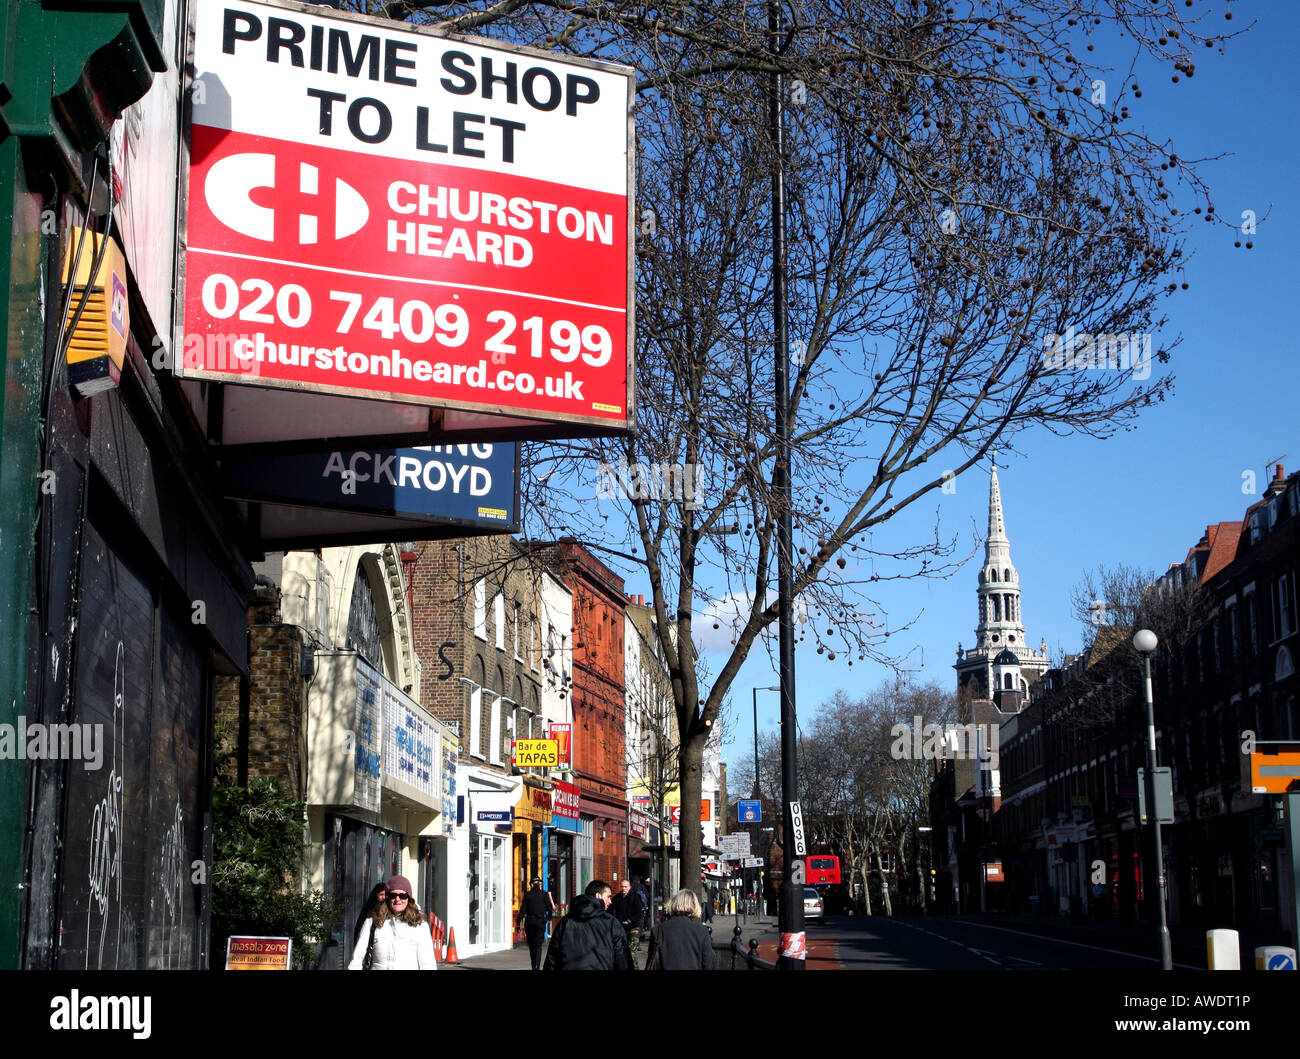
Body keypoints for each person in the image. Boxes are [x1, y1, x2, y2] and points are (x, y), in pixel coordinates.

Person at [348, 875, 437, 970]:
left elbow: (428, 964)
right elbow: (357, 959)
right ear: (387, 897)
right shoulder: (372, 923)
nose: (397, 899)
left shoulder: (420, 926)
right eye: (393, 895)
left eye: (403, 896)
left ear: (409, 898)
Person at [543, 880, 633, 970]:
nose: (610, 902)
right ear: (598, 896)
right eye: (608, 897)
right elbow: (622, 958)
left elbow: (552, 958)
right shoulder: (611, 922)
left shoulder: (565, 921)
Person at [645, 889, 716, 970]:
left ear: (673, 903)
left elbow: (651, 960)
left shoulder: (658, 930)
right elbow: (709, 965)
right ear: (695, 905)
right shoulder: (702, 932)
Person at [516, 876, 556, 971]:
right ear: (539, 884)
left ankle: (533, 964)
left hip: (529, 922)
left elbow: (522, 911)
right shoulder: (544, 895)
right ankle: (536, 966)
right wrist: (547, 919)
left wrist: (518, 922)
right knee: (538, 945)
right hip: (540, 922)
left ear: (531, 885)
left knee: (531, 945)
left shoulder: (527, 895)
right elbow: (550, 909)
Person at [611, 877, 648, 954]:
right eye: (622, 887)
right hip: (622, 926)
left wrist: (629, 920)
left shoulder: (635, 897)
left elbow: (639, 914)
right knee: (621, 950)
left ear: (629, 887)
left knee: (632, 951)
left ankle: (634, 966)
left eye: (625, 887)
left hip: (634, 926)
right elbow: (610, 910)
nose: (623, 888)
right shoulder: (617, 898)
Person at [352, 882, 387, 953]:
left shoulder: (389, 909)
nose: (384, 897)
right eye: (381, 894)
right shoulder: (369, 908)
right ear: (376, 895)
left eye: (386, 895)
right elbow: (359, 927)